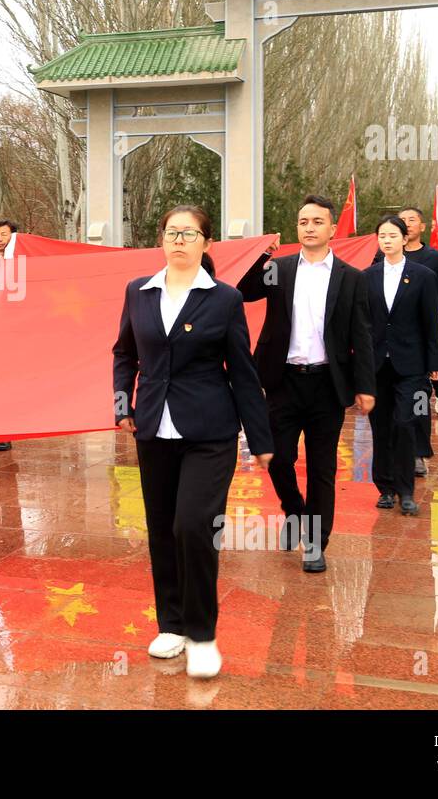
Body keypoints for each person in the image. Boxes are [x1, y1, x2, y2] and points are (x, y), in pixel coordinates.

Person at [113, 204, 274, 678]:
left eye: (190, 233)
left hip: (210, 431)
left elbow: (242, 372)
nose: (179, 239)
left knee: (193, 526)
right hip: (153, 431)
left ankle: (202, 635)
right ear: (161, 240)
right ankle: (172, 625)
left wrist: (260, 437)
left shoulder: (223, 299)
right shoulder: (138, 293)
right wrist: (124, 404)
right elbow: (124, 352)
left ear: (206, 243)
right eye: (171, 232)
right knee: (162, 529)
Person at [237, 194, 375, 573]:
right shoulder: (278, 269)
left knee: (322, 468)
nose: (309, 227)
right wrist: (260, 255)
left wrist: (366, 386)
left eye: (317, 221)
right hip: (282, 382)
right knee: (277, 456)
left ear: (332, 229)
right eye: (303, 222)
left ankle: (316, 542)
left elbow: (361, 335)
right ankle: (294, 511)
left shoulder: (351, 278)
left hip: (326, 385)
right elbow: (244, 291)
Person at [363, 215, 438, 517]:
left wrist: (434, 360)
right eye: (382, 235)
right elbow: (363, 322)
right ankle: (385, 489)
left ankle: (406, 491)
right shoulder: (367, 276)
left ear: (404, 239)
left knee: (405, 423)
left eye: (392, 235)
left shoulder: (421, 275)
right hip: (376, 364)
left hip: (411, 364)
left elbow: (430, 321)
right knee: (380, 427)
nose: (387, 240)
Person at [372, 207, 438, 477]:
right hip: (387, 348)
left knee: (419, 404)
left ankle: (419, 453)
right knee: (390, 410)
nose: (407, 225)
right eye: (403, 220)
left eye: (412, 220)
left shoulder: (433, 259)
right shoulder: (381, 257)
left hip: (418, 346)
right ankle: (393, 459)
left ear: (421, 226)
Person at [0, 219, 18, 453]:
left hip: (15, 333)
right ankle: (1, 431)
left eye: (4, 235)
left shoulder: (23, 265)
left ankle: (6, 430)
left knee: (8, 385)